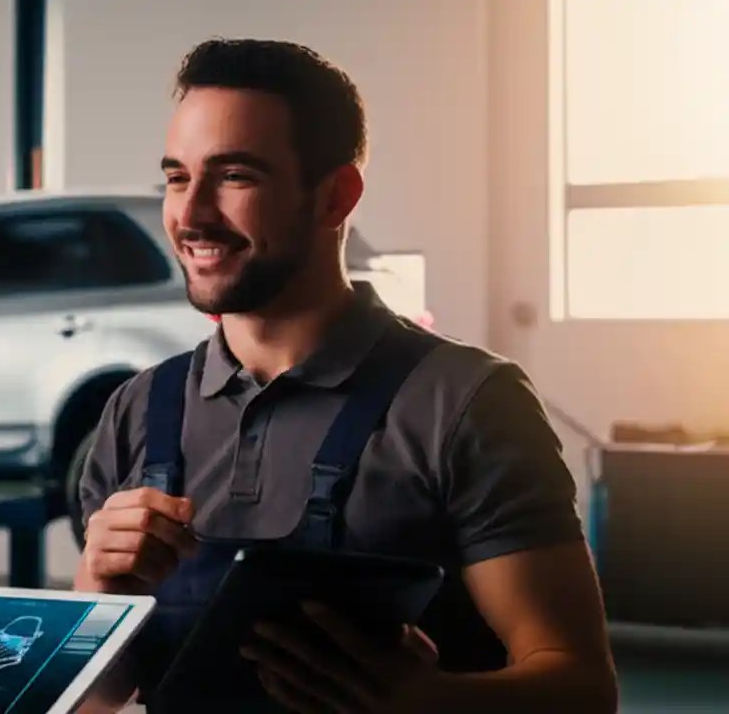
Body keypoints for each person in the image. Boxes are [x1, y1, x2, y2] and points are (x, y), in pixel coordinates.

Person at [74, 39, 618, 713]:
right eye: (178, 179)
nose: (191, 215)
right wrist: (97, 591)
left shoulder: (465, 404)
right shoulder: (138, 410)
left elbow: (582, 689)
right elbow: (97, 700)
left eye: (235, 176)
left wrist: (430, 704)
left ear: (335, 197)